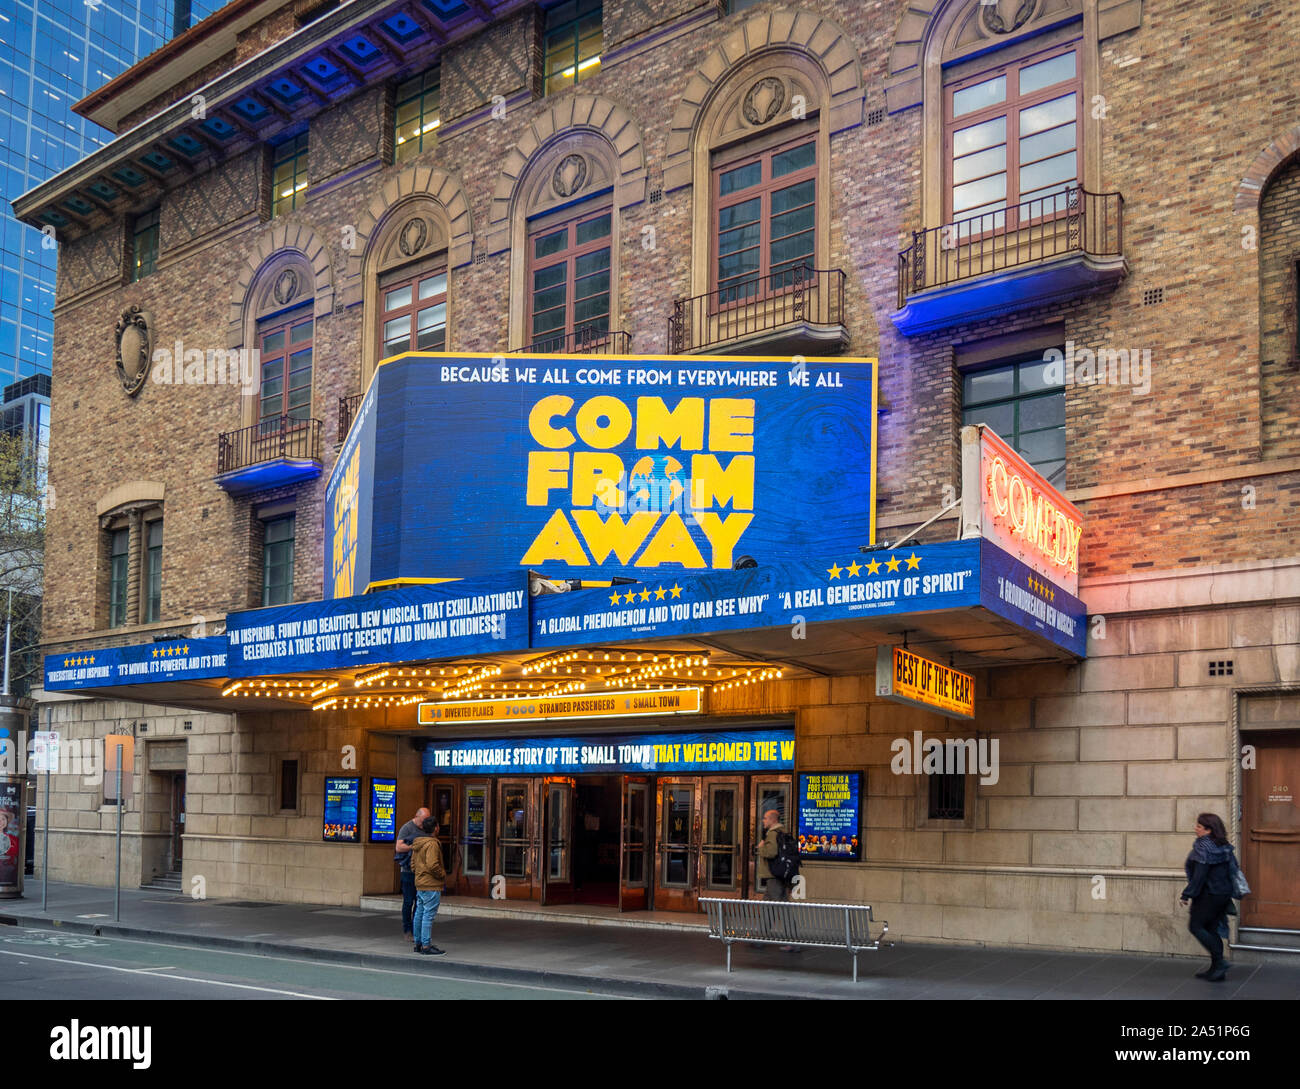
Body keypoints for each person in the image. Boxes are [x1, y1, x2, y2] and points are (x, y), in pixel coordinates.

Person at [1179, 812, 1238, 982]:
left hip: (1209, 894)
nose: (1195, 829)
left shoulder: (1203, 847)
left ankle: (1220, 964)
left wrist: (1187, 894)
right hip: (1223, 893)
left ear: (1208, 830)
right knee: (1211, 929)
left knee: (1196, 926)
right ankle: (1216, 969)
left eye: (1199, 826)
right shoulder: (1223, 845)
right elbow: (1233, 868)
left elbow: (1200, 875)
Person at [756, 807, 795, 952]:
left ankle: (793, 941)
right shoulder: (784, 832)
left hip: (774, 877)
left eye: (765, 818)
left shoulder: (773, 834)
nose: (763, 821)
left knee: (782, 908)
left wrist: (760, 848)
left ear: (772, 820)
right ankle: (761, 937)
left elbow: (771, 852)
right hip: (781, 875)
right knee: (767, 906)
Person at [410, 817, 446, 955]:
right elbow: (433, 864)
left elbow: (413, 864)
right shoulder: (432, 844)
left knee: (419, 913)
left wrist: (419, 874)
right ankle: (426, 945)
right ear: (436, 828)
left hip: (420, 883)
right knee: (428, 916)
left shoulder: (418, 843)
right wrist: (442, 874)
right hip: (431, 884)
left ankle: (418, 943)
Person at [394, 806, 431, 940]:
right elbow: (398, 847)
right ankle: (407, 930)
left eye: (427, 820)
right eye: (423, 820)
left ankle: (417, 929)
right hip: (408, 871)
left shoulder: (426, 829)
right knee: (408, 901)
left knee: (419, 901)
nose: (424, 823)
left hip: (422, 871)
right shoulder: (407, 828)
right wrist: (413, 847)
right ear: (416, 816)